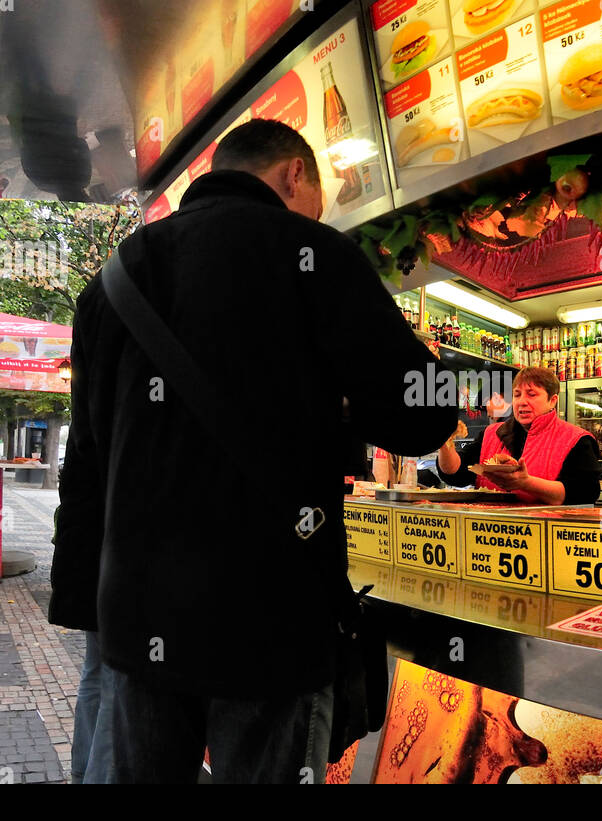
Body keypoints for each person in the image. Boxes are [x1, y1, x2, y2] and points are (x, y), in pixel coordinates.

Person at [49, 119, 455, 784]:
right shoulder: (313, 254)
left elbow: (87, 461)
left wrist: (87, 604)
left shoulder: (112, 283)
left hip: (140, 619)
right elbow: (424, 414)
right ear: (294, 174)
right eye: (316, 196)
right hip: (272, 622)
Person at [437, 367, 600, 505]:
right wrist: (444, 439)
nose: (522, 401)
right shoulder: (490, 434)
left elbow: (584, 493)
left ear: (552, 401)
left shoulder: (576, 440)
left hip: (545, 535)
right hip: (488, 534)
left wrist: (526, 483)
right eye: (517, 395)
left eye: (531, 394)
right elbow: (456, 474)